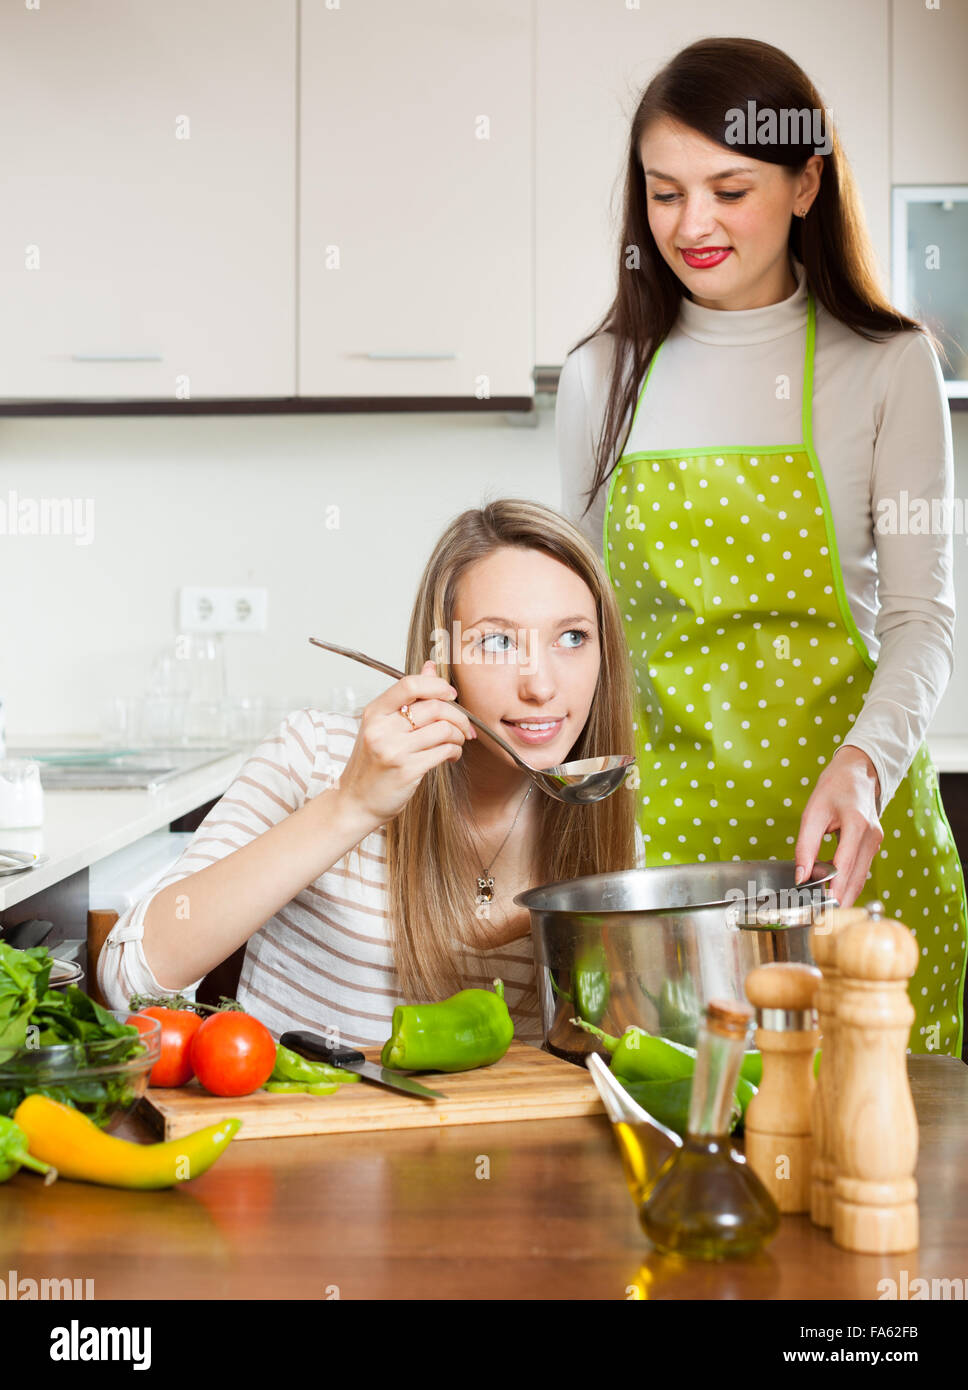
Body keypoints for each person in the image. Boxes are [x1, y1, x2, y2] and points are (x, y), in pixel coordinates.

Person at [555, 36, 966, 1056]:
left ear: (803, 184)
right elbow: (577, 629)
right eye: (662, 193)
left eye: (727, 188)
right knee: (682, 1167)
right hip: (666, 868)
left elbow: (922, 621)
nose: (690, 224)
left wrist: (866, 768)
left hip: (853, 857)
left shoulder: (887, 363)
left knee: (870, 1169)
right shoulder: (598, 376)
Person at [98, 500, 641, 1046]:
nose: (541, 686)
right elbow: (129, 983)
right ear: (441, 658)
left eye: (572, 637)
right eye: (497, 641)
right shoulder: (314, 756)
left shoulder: (601, 815)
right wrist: (351, 806)